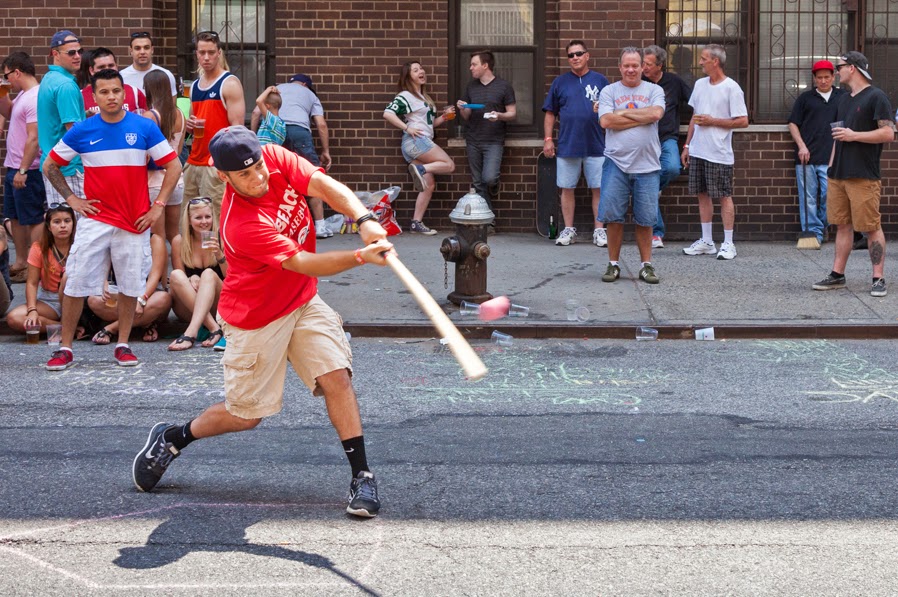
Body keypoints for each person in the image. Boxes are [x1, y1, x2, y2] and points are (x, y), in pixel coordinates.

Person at [131, 126, 394, 518]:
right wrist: (360, 257)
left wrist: (364, 219)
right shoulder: (241, 224)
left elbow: (322, 185)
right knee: (246, 415)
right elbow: (302, 262)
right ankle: (174, 437)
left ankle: (362, 476)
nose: (258, 177)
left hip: (302, 300)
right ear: (224, 177)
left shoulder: (273, 156)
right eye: (245, 175)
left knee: (336, 377)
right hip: (257, 318)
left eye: (257, 166)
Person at [42, 69, 181, 370]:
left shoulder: (144, 126)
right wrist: (72, 199)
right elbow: (49, 165)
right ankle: (65, 348)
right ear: (94, 96)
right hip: (96, 218)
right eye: (104, 92)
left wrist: (158, 206)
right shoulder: (82, 130)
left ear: (124, 93)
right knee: (75, 282)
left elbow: (174, 166)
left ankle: (123, 344)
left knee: (130, 285)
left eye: (116, 91)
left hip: (134, 221)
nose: (111, 97)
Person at [813, 52, 894, 297]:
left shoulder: (876, 97)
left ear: (853, 68)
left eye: (839, 67)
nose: (837, 71)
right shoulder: (844, 100)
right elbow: (838, 137)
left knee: (871, 227)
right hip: (838, 174)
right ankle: (837, 274)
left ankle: (878, 278)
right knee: (842, 225)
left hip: (863, 175)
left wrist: (854, 135)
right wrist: (830, 168)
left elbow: (888, 134)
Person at [596, 47, 665, 285]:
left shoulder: (654, 90)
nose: (631, 69)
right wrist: (640, 116)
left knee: (646, 219)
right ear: (620, 67)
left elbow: (656, 115)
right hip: (616, 163)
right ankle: (613, 264)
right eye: (626, 65)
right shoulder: (609, 91)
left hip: (648, 165)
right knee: (613, 217)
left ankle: (646, 265)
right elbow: (606, 121)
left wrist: (622, 112)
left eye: (635, 65)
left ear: (642, 67)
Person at [680, 44, 749, 261]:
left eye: (704, 58)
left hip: (719, 152)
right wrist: (687, 145)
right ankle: (707, 241)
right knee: (702, 194)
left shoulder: (732, 88)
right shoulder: (700, 84)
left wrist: (713, 121)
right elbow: (695, 116)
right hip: (698, 149)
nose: (700, 62)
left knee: (724, 196)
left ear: (715, 61)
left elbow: (743, 121)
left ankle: (728, 243)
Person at [543, 40, 609, 247]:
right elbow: (550, 113)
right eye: (571, 55)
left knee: (598, 188)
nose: (575, 58)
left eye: (579, 53)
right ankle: (569, 229)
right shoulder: (560, 82)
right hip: (568, 144)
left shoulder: (601, 81)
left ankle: (599, 230)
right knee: (567, 188)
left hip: (596, 144)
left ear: (587, 56)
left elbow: (612, 111)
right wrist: (548, 139)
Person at [383, 61, 456, 235]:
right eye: (415, 70)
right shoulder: (406, 96)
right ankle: (420, 169)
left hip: (419, 141)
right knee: (449, 165)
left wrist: (444, 118)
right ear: (409, 77)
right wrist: (407, 128)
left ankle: (416, 222)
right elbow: (387, 113)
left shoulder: (423, 97)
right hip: (416, 141)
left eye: (421, 68)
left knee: (428, 185)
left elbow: (428, 125)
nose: (421, 71)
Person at [184, 30, 246, 223]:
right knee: (187, 222)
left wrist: (230, 169)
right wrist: (189, 125)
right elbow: (191, 126)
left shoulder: (229, 83)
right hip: (194, 160)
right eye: (202, 52)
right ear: (196, 54)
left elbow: (238, 131)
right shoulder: (194, 86)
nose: (206, 57)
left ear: (219, 53)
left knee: (216, 223)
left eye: (211, 52)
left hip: (216, 164)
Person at [264, 74, 332, 238]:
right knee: (311, 177)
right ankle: (320, 226)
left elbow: (255, 113)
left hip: (275, 132)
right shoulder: (310, 94)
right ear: (305, 85)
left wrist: (254, 140)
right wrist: (325, 151)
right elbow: (321, 124)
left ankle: (277, 227)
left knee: (277, 180)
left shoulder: (276, 90)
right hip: (299, 133)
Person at [788, 60, 846, 246]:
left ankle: (822, 226)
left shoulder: (843, 97)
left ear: (833, 77)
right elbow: (793, 123)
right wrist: (801, 146)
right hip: (807, 157)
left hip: (832, 157)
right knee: (808, 199)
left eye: (826, 77)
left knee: (830, 196)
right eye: (819, 77)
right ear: (814, 78)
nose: (823, 81)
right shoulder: (805, 98)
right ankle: (813, 234)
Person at [0, 52, 46, 283]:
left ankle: (34, 265)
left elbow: (34, 138)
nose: (6, 79)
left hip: (28, 169)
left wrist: (23, 170)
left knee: (33, 217)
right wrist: (2, 94)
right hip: (14, 167)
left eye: (7, 75)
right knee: (15, 216)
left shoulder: (35, 97)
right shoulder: (22, 95)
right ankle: (20, 262)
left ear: (17, 72)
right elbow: (9, 113)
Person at [642, 45, 692, 249]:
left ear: (660, 65)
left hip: (666, 137)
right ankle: (656, 233)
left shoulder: (674, 82)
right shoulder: (639, 82)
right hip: (643, 140)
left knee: (672, 168)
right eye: (643, 63)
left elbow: (695, 103)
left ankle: (651, 189)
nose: (644, 67)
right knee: (647, 184)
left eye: (648, 64)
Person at [456, 50, 516, 214]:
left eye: (474, 64)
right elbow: (467, 116)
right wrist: (463, 108)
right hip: (473, 140)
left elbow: (512, 113)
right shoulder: (471, 87)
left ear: (485, 65)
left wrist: (499, 116)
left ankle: (493, 185)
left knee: (489, 178)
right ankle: (488, 219)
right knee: (478, 183)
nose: (471, 68)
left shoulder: (503, 86)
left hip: (494, 141)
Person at [87, 233, 171, 344]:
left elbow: (154, 277)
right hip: (121, 293)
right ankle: (146, 322)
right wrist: (104, 284)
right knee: (93, 300)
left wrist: (140, 300)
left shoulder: (155, 240)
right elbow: (103, 270)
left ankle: (112, 328)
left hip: (149, 295)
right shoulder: (113, 236)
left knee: (164, 299)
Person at [167, 196, 227, 351]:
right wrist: (191, 277)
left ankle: (191, 332)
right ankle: (214, 328)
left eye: (208, 216)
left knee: (208, 273)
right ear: (188, 220)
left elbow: (230, 278)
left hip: (218, 305)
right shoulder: (179, 241)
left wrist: (219, 255)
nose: (204, 222)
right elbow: (178, 281)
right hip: (188, 307)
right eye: (198, 217)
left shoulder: (221, 237)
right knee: (176, 274)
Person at [6, 204, 76, 334]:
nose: (63, 226)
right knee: (14, 318)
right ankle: (66, 328)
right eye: (57, 222)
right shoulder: (39, 248)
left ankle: (69, 326)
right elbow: (32, 283)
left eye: (67, 221)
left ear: (73, 224)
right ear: (48, 226)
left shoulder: (81, 245)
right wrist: (32, 310)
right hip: (50, 300)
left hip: (76, 297)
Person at [37, 30, 85, 211]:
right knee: (75, 225)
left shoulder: (49, 78)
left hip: (54, 166)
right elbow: (74, 131)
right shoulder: (66, 85)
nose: (77, 56)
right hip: (69, 168)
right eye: (71, 52)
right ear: (55, 54)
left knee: (60, 224)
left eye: (80, 51)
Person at [143, 69, 186, 242]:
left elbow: (145, 154)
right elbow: (179, 150)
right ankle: (178, 261)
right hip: (177, 180)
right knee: (174, 233)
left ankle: (159, 263)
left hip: (155, 182)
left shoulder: (150, 116)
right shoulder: (180, 114)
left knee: (157, 235)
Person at [81, 47, 147, 116]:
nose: (107, 69)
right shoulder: (80, 95)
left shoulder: (134, 92)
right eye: (101, 67)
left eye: (111, 65)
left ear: (116, 66)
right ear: (91, 70)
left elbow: (148, 117)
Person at [120, 32, 178, 98]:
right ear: (131, 51)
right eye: (137, 48)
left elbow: (172, 103)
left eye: (146, 48)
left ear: (152, 50)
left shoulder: (166, 75)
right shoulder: (122, 76)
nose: (142, 52)